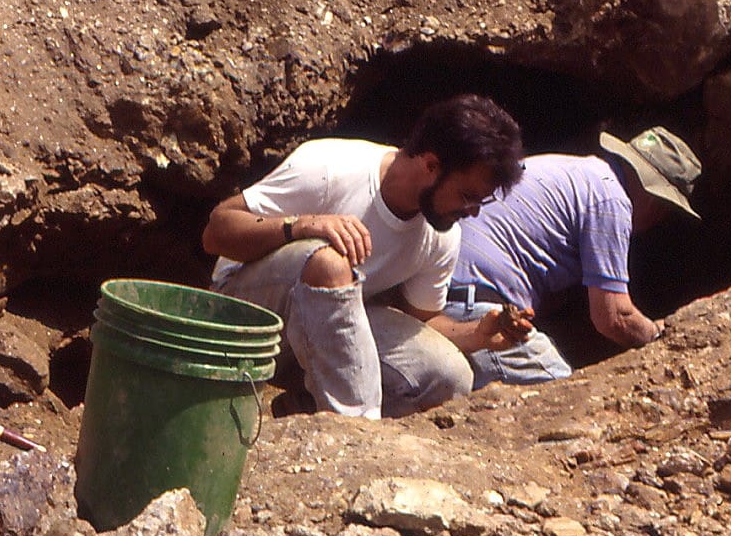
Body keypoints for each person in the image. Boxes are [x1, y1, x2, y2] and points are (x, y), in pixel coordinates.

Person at [201, 94, 533, 418]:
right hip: (239, 319)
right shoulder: (330, 168)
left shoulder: (441, 233)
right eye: (467, 196)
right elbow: (215, 233)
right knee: (330, 264)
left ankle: (308, 409)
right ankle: (355, 427)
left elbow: (422, 321)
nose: (472, 212)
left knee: (448, 376)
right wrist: (300, 226)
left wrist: (476, 334)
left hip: (317, 336)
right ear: (431, 165)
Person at [442, 126, 702, 387]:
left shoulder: (578, 172)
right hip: (481, 311)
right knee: (567, 395)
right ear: (656, 201)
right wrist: (659, 337)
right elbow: (613, 317)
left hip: (442, 297)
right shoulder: (611, 198)